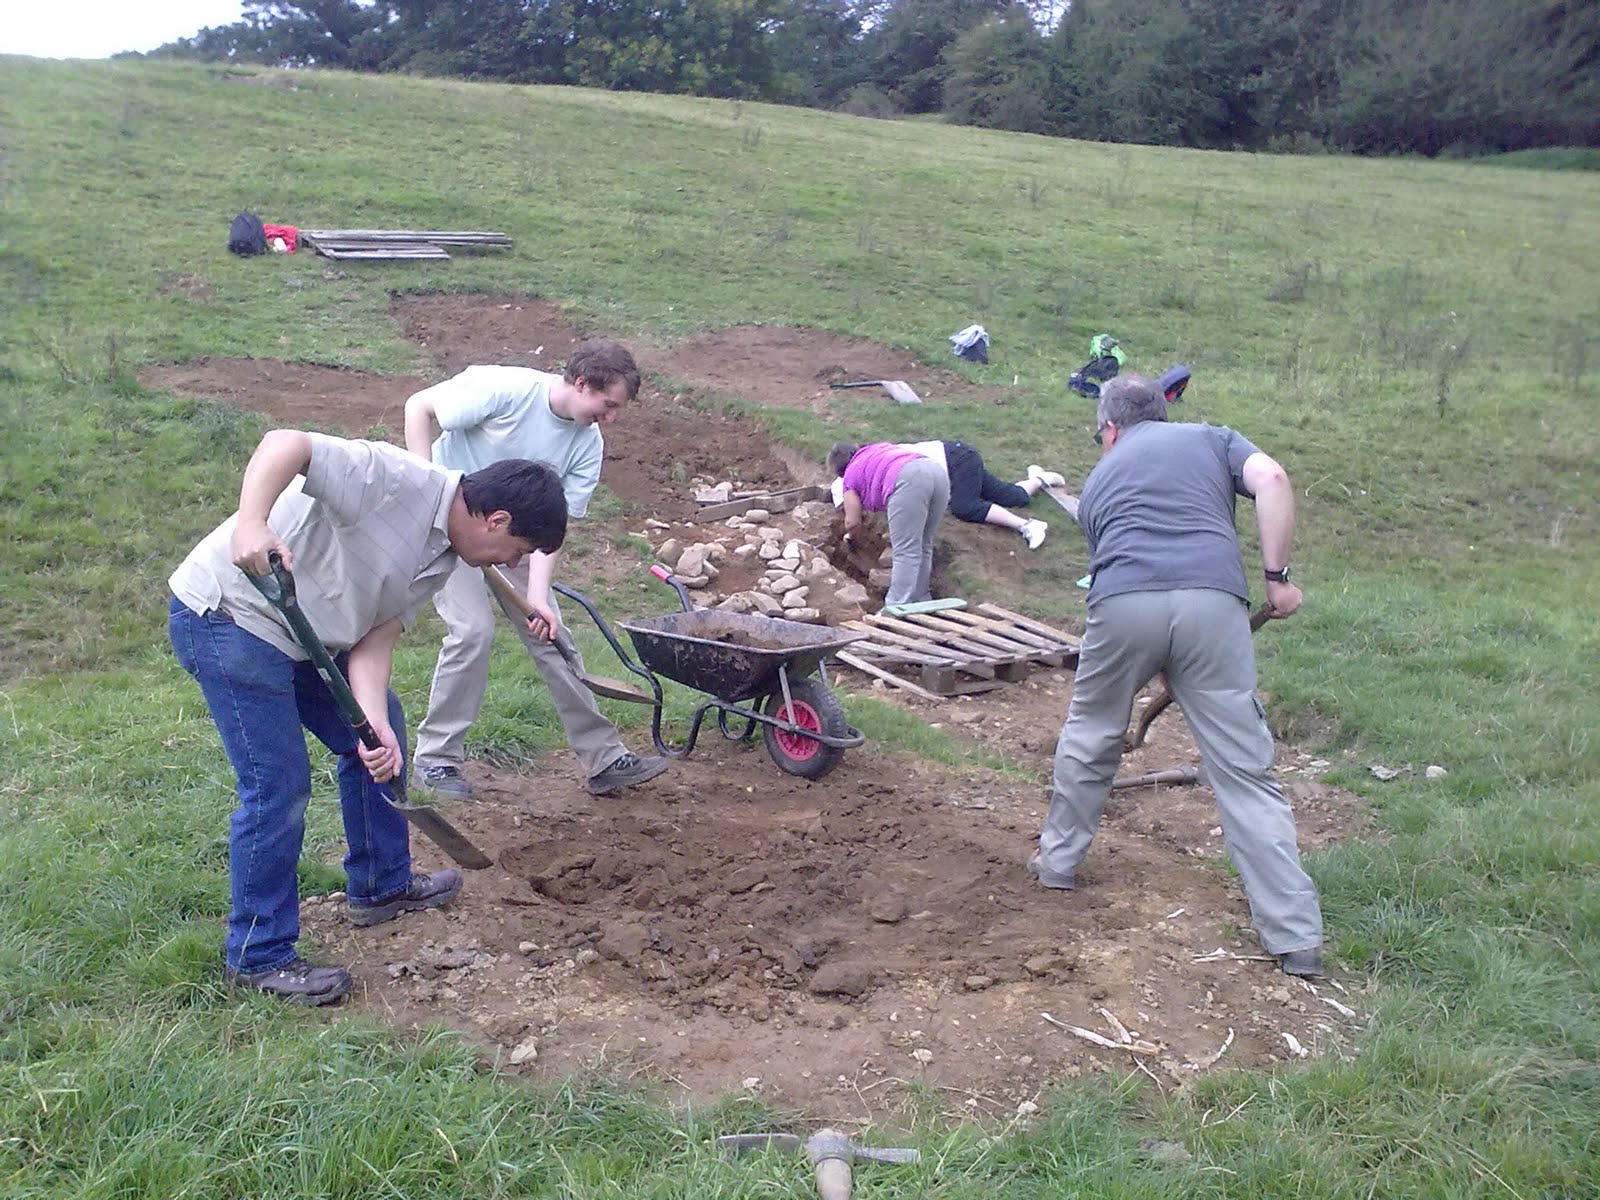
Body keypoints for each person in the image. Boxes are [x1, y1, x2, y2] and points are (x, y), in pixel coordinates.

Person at [169, 430, 567, 1005]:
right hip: (232, 617)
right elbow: (286, 443)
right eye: (519, 549)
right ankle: (257, 956)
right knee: (277, 786)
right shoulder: (392, 478)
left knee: (386, 734)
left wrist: (373, 725)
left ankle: (381, 886)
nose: (514, 563)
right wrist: (252, 523)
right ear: (497, 520)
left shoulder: (443, 557)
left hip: (308, 637)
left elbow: (374, 642)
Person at [1029, 375, 1325, 978]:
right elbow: (1270, 478)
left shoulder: (1098, 482)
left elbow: (1114, 565)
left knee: (1092, 731)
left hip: (1121, 604)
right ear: (1162, 414)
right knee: (1244, 771)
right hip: (1215, 606)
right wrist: (1277, 578)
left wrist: (1157, 653)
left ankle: (1057, 865)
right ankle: (1296, 939)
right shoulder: (1214, 439)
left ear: (1109, 429)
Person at [404, 340, 668, 801]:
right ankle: (436, 762)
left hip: (518, 538)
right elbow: (419, 407)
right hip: (451, 523)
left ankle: (604, 759)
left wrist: (540, 599)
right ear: (582, 383)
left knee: (552, 634)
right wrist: (426, 483)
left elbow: (549, 534)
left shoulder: (587, 445)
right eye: (608, 406)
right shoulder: (504, 390)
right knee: (472, 632)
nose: (611, 418)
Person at [827, 441, 951, 610]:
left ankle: (896, 606)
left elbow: (852, 521)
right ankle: (920, 599)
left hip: (907, 481)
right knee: (924, 543)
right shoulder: (875, 450)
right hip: (937, 473)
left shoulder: (849, 476)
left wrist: (851, 537)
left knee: (905, 550)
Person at [900, 440, 1064, 550]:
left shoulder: (883, 462)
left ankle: (1027, 526)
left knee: (965, 506)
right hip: (955, 458)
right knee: (1011, 496)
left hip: (957, 460)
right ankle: (1039, 478)